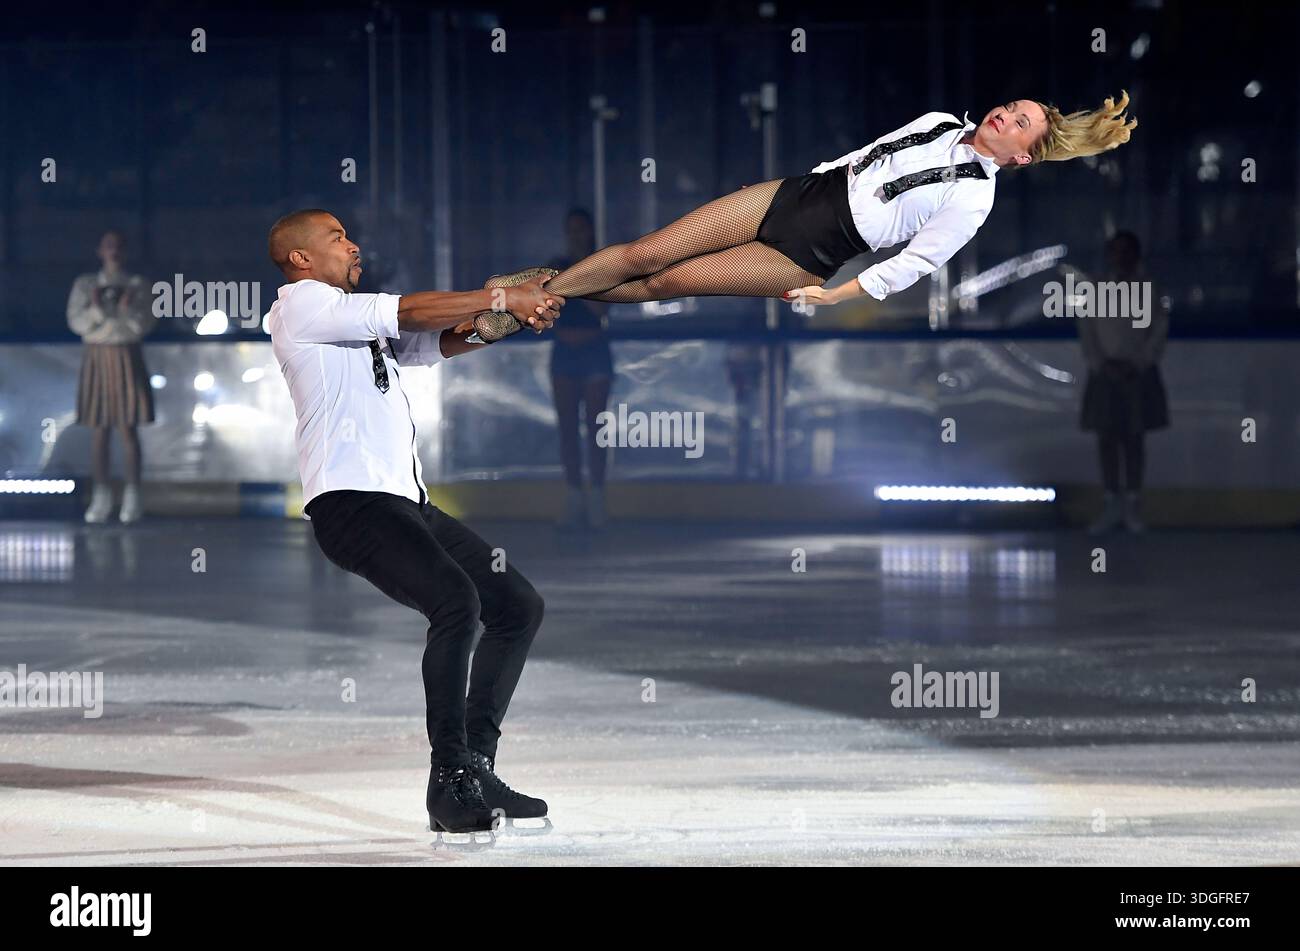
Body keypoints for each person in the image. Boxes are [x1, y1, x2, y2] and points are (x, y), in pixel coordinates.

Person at [265, 209, 562, 834]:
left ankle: (476, 765)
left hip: (404, 500)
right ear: (300, 259)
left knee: (514, 604)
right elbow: (408, 311)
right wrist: (500, 294)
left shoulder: (345, 321)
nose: (354, 246)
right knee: (456, 602)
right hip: (351, 502)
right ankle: (449, 778)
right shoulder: (301, 304)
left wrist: (499, 321)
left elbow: (434, 342)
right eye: (337, 238)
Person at [468, 93, 1137, 338]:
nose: (1006, 115)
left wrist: (834, 293)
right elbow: (871, 153)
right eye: (1012, 107)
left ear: (1021, 156)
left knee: (668, 285)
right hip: (800, 196)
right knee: (650, 252)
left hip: (814, 251)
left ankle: (535, 300)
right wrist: (810, 180)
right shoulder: (940, 119)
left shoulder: (976, 198)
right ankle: (534, 295)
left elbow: (914, 264)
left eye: (1019, 123)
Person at [1077, 230, 1169, 533]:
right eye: (1115, 250)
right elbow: (1087, 333)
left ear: (1136, 255)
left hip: (1136, 374)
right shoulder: (1095, 289)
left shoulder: (1149, 289)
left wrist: (1138, 363)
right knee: (1106, 438)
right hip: (1105, 373)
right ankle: (1110, 503)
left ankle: (1131, 504)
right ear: (1109, 255)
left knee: (1134, 438)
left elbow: (1158, 331)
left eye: (1127, 250)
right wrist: (1101, 364)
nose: (1121, 256)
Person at [66, 230, 156, 524]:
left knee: (127, 428)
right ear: (100, 251)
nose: (113, 252)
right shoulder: (85, 285)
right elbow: (77, 323)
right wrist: (101, 314)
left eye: (118, 246)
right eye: (108, 246)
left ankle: (133, 495)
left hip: (126, 356)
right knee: (100, 428)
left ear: (125, 251)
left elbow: (141, 325)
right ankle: (101, 495)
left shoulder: (138, 285)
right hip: (97, 358)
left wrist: (122, 314)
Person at [547, 209, 614, 529]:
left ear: (590, 232)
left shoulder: (602, 264)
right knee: (568, 428)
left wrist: (580, 275)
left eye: (580, 229)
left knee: (596, 428)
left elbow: (601, 309)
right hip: (564, 351)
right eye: (570, 229)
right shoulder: (555, 266)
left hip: (594, 351)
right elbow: (547, 306)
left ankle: (597, 498)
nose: (575, 235)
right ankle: (574, 497)